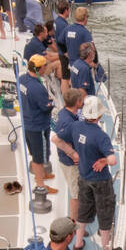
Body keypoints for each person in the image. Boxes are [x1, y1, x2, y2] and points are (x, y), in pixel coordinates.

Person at [73, 95, 120, 250]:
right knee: (105, 213)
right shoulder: (101, 136)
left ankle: (78, 244)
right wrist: (104, 160)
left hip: (84, 177)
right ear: (99, 116)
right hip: (100, 181)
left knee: (83, 211)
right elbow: (113, 160)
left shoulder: (76, 127)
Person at [19, 55, 58, 196]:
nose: (46, 68)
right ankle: (41, 184)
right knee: (38, 157)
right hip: (38, 127)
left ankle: (41, 174)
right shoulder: (37, 88)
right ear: (40, 68)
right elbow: (46, 107)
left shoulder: (22, 79)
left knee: (37, 154)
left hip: (27, 123)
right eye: (45, 66)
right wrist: (52, 102)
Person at [51, 88, 85, 227]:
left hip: (68, 161)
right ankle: (74, 224)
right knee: (75, 195)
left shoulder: (65, 113)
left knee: (76, 191)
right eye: (81, 100)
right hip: (70, 164)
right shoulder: (68, 122)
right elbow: (56, 139)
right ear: (77, 102)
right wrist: (73, 154)